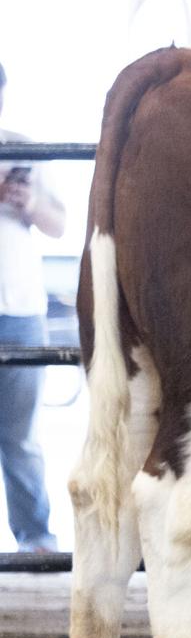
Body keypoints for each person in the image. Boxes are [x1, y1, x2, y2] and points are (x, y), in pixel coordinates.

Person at [0, 61, 66, 554]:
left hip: (20, 307)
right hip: (19, 308)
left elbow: (59, 224)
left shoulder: (22, 146)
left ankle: (36, 537)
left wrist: (25, 204)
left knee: (20, 438)